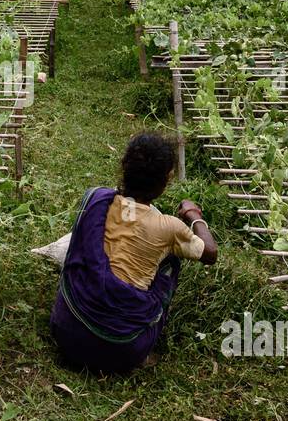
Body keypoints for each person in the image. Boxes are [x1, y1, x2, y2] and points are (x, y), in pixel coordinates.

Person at [49, 132, 217, 374]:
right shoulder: (169, 227)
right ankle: (140, 333)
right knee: (170, 260)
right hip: (122, 351)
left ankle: (84, 307)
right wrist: (194, 215)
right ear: (165, 182)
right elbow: (210, 253)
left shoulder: (97, 200)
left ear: (124, 166)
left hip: (67, 332)